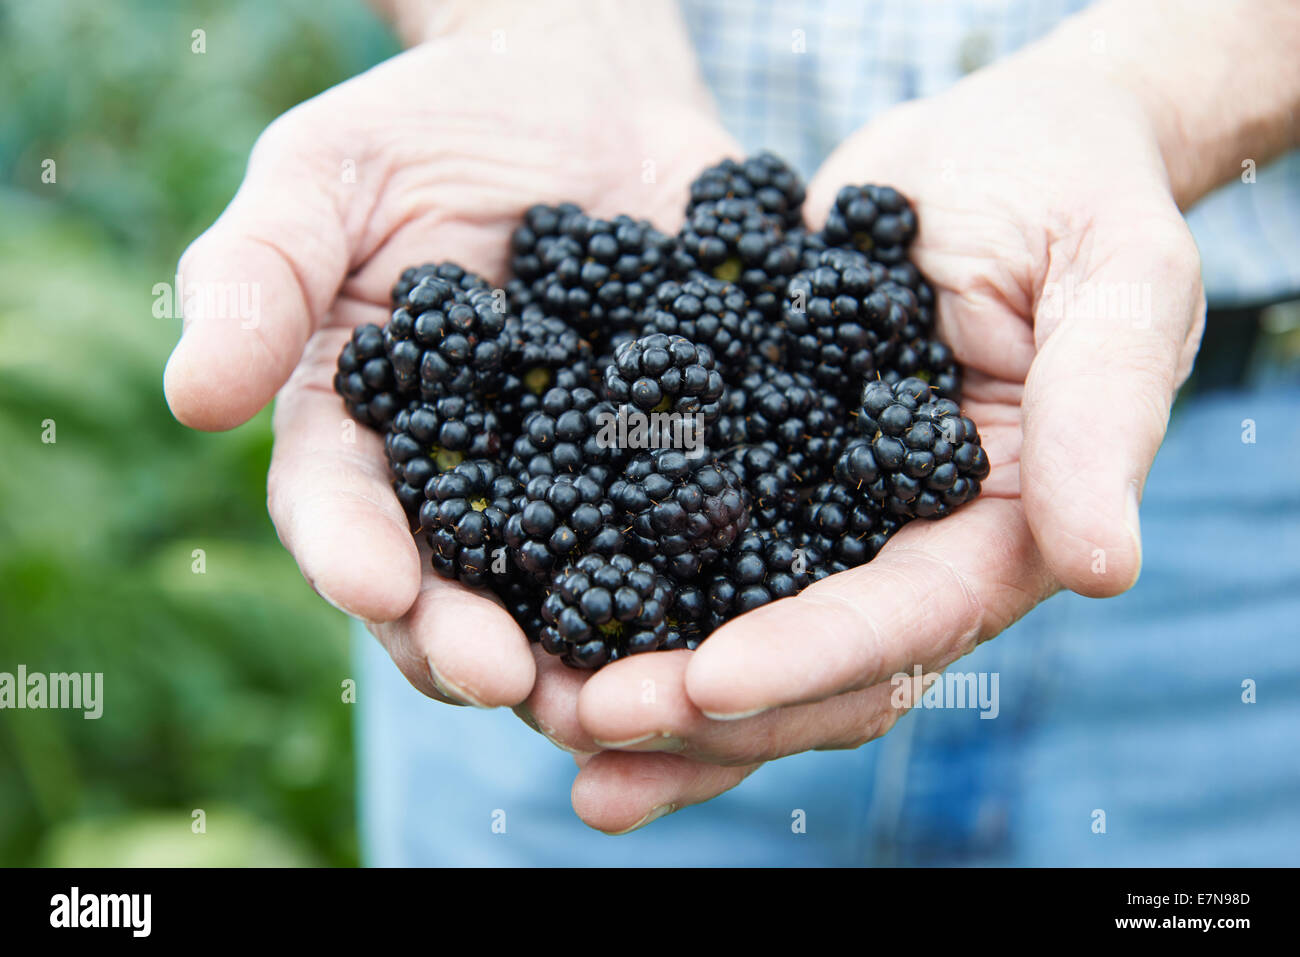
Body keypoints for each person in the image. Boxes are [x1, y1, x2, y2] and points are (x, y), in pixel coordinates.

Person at [164, 0, 1300, 864]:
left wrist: (1144, 93)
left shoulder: (791, 400)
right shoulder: (615, 423)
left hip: (1246, 550)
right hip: (529, 747)